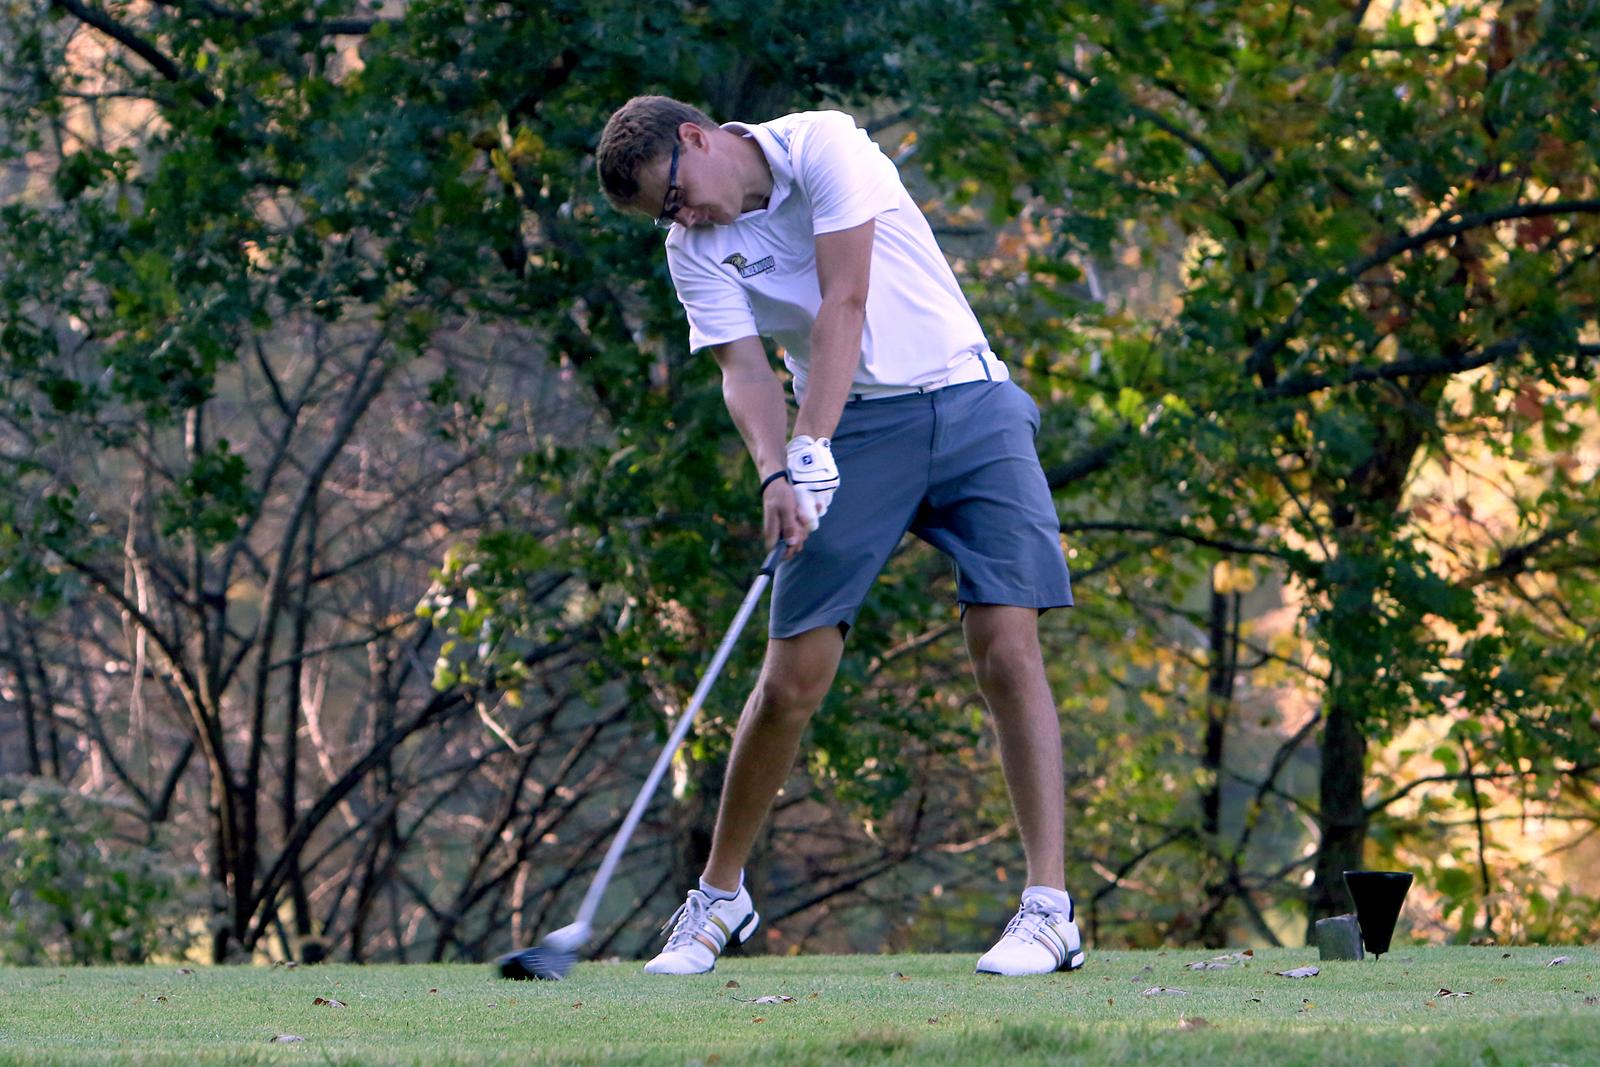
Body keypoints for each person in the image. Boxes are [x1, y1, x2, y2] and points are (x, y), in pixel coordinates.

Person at [594, 96, 1084, 977]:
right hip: (854, 429)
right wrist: (777, 473)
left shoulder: (822, 143)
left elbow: (845, 301)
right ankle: (720, 899)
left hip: (970, 401)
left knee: (1006, 646)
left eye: (674, 195)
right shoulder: (692, 250)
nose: (681, 217)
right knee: (791, 679)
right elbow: (743, 371)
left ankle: (1049, 911)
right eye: (662, 216)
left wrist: (810, 441)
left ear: (697, 139)